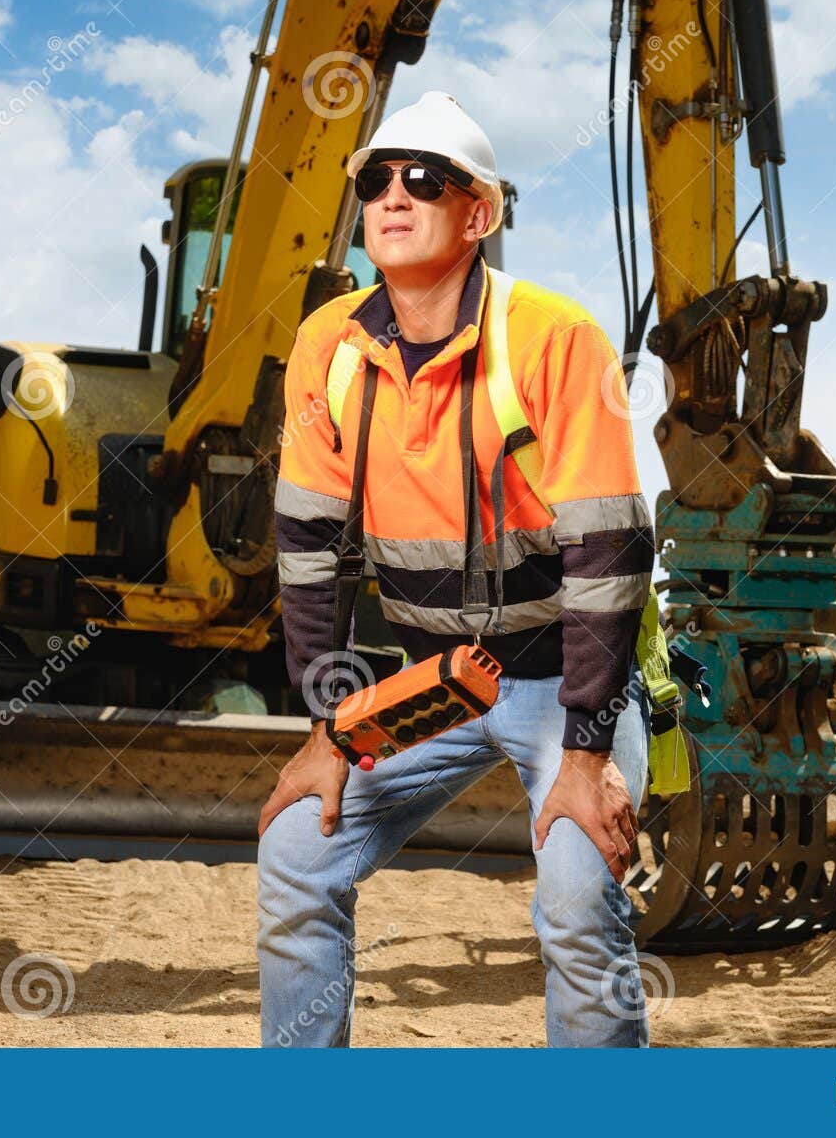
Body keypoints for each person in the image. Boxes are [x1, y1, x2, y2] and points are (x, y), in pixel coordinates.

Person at [256, 91, 655, 1048]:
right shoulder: (329, 347)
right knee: (293, 851)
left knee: (573, 885)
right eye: (377, 178)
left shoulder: (556, 340)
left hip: (568, 688)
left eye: (426, 179)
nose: (394, 194)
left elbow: (609, 558)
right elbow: (309, 554)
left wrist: (591, 755)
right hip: (435, 684)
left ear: (478, 215)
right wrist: (326, 730)